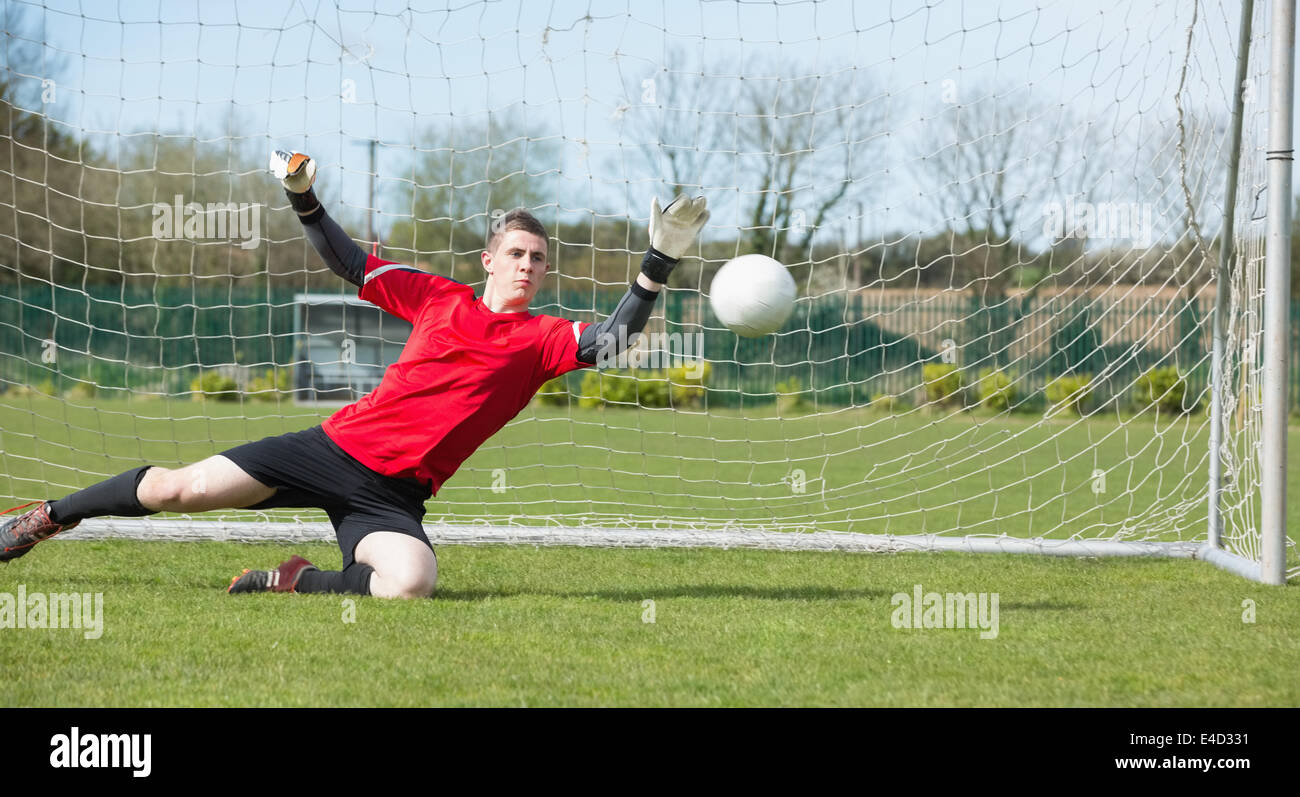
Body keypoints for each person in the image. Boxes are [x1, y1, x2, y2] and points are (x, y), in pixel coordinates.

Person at [0, 150, 709, 598]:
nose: (529, 265)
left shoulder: (542, 339)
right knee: (177, 487)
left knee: (410, 584)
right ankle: (45, 518)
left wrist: (658, 262)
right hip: (331, 449)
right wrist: (302, 195)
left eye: (539, 258)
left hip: (392, 497)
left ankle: (296, 579)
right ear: (488, 260)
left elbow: (613, 339)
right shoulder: (436, 295)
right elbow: (348, 261)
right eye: (517, 253)